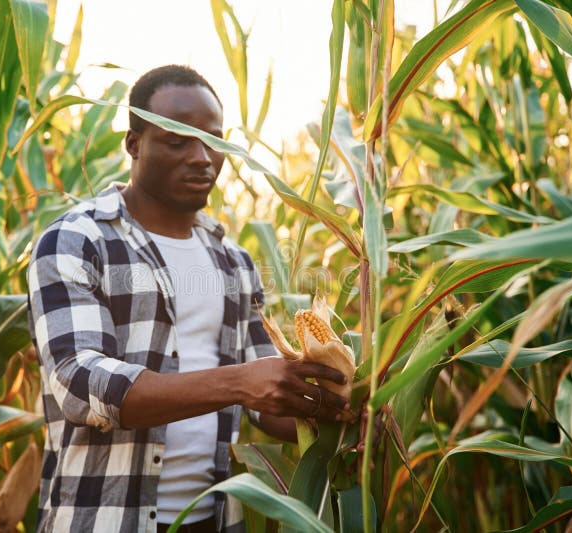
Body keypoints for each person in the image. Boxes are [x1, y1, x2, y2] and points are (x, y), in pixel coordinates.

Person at [27, 64, 352, 533]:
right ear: (133, 144)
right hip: (106, 520)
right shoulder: (77, 241)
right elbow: (80, 384)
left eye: (214, 141)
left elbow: (267, 402)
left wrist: (340, 411)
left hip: (214, 517)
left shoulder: (233, 261)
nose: (202, 157)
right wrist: (239, 383)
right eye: (178, 140)